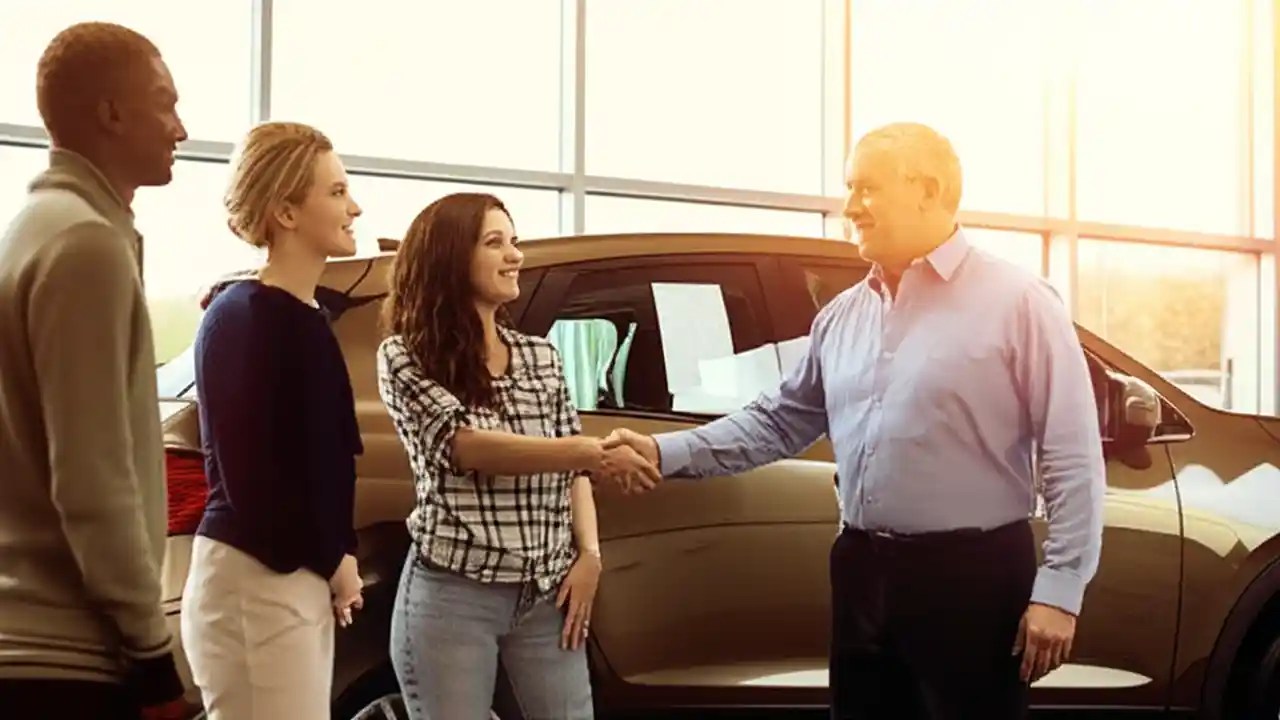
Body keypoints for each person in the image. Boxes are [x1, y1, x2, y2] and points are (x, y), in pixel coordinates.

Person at [607, 122, 1107, 719]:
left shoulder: (1020, 302)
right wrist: (665, 453)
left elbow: (1071, 453)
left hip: (973, 580)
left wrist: (1061, 589)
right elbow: (778, 421)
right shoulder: (842, 315)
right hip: (862, 568)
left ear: (928, 188)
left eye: (865, 189)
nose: (849, 208)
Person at [377, 192, 660, 719]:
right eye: (495, 242)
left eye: (515, 241)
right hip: (451, 597)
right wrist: (589, 452)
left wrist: (590, 556)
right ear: (449, 257)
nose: (515, 255)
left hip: (546, 598)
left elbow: (574, 470)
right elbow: (466, 446)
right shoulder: (403, 356)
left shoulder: (540, 356)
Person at [0, 21, 190, 720]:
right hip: (65, 658)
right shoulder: (85, 243)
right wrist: (152, 659)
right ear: (111, 113)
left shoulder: (32, 228)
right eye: (165, 103)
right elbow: (92, 477)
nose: (181, 127)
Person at [179, 121, 365, 719]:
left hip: (292, 579)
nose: (354, 206)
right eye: (335, 192)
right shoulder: (245, 316)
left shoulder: (305, 317)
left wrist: (342, 555)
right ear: (286, 210)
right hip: (255, 582)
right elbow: (254, 482)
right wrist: (334, 558)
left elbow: (328, 464)